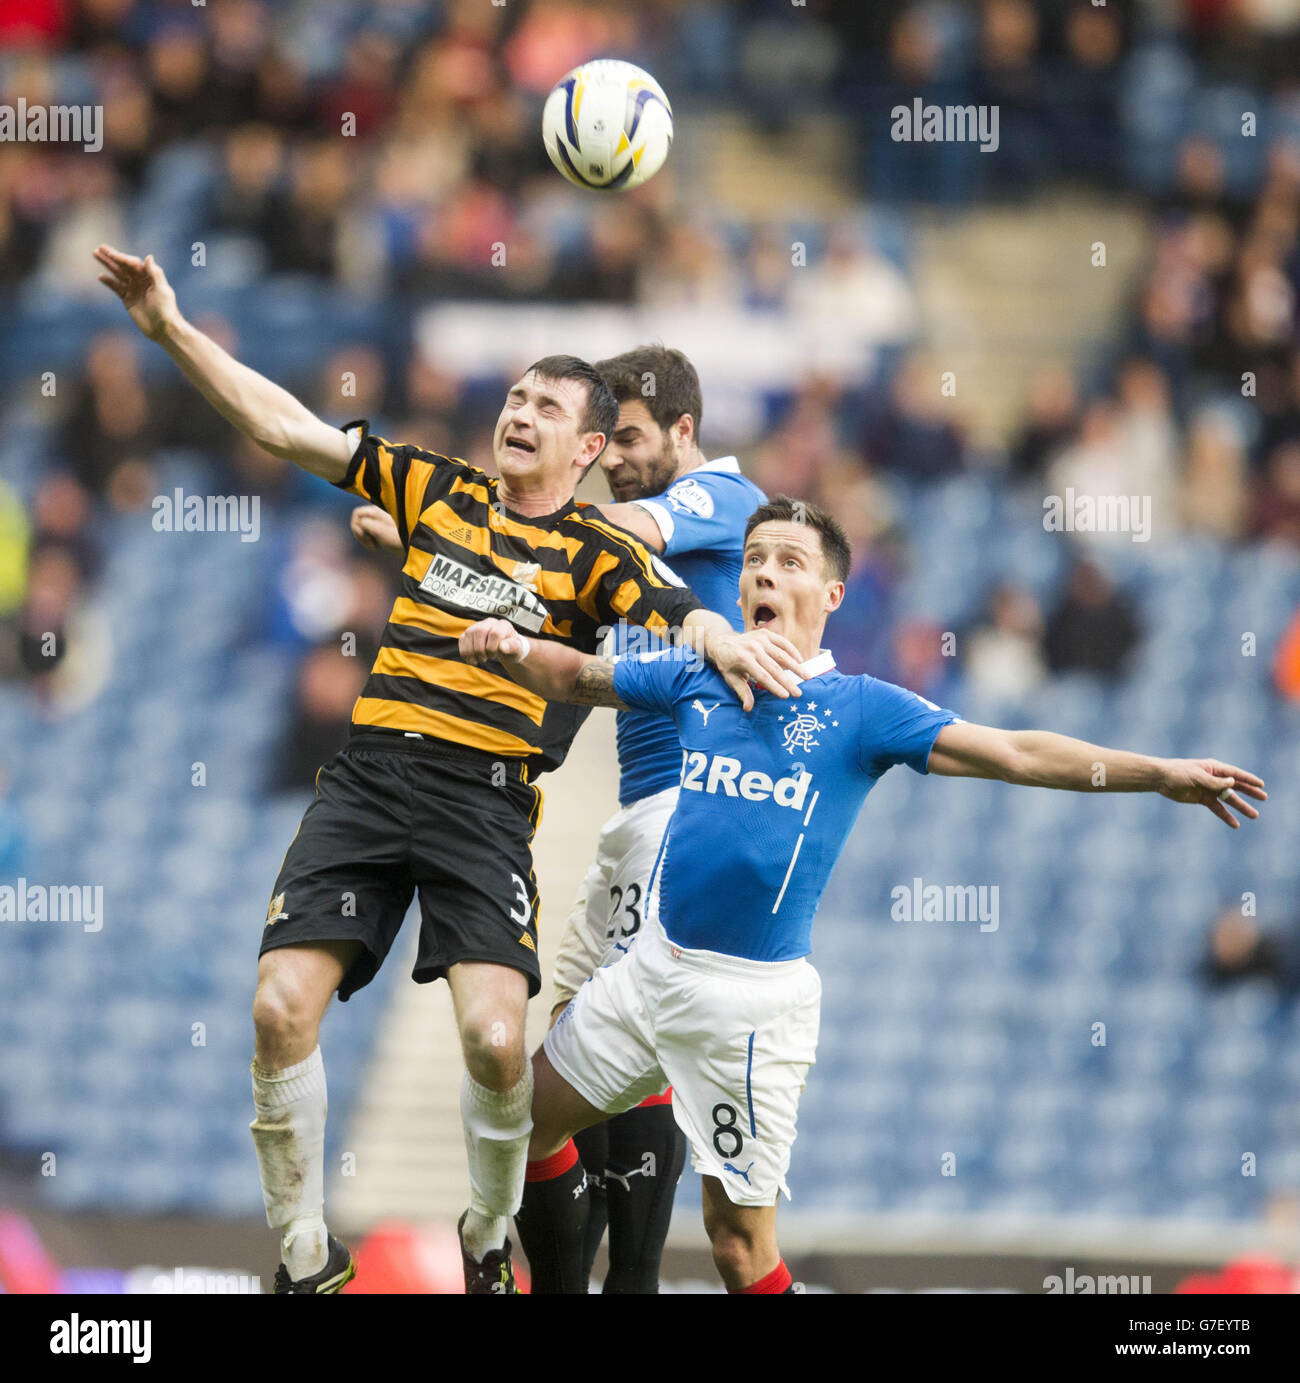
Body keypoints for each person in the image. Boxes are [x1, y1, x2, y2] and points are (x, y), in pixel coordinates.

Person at [93, 244, 805, 1294]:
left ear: (590, 447)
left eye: (547, 408)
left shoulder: (599, 552)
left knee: (494, 1036)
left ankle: (486, 1230)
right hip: (371, 782)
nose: (518, 413)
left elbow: (674, 607)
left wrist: (726, 641)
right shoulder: (436, 491)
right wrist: (170, 329)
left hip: (482, 806)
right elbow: (284, 426)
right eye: (514, 396)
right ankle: (301, 1254)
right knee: (277, 1005)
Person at [458, 495, 1266, 1293]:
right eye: (754, 561)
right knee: (525, 1122)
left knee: (739, 1250)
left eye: (789, 561)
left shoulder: (861, 710)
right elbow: (576, 674)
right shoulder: (695, 674)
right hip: (649, 970)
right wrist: (509, 645)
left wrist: (1157, 773)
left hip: (748, 1009)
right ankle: (508, 1262)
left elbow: (1016, 751)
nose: (763, 573)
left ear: (832, 595)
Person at [356, 343, 764, 1292]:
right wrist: (448, 549)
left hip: (691, 806)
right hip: (643, 810)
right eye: (605, 440)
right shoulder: (619, 542)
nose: (613, 457)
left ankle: (634, 1279)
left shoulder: (719, 499)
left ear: (684, 432)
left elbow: (603, 528)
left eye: (624, 438)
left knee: (619, 1037)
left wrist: (476, 530)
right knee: (576, 1049)